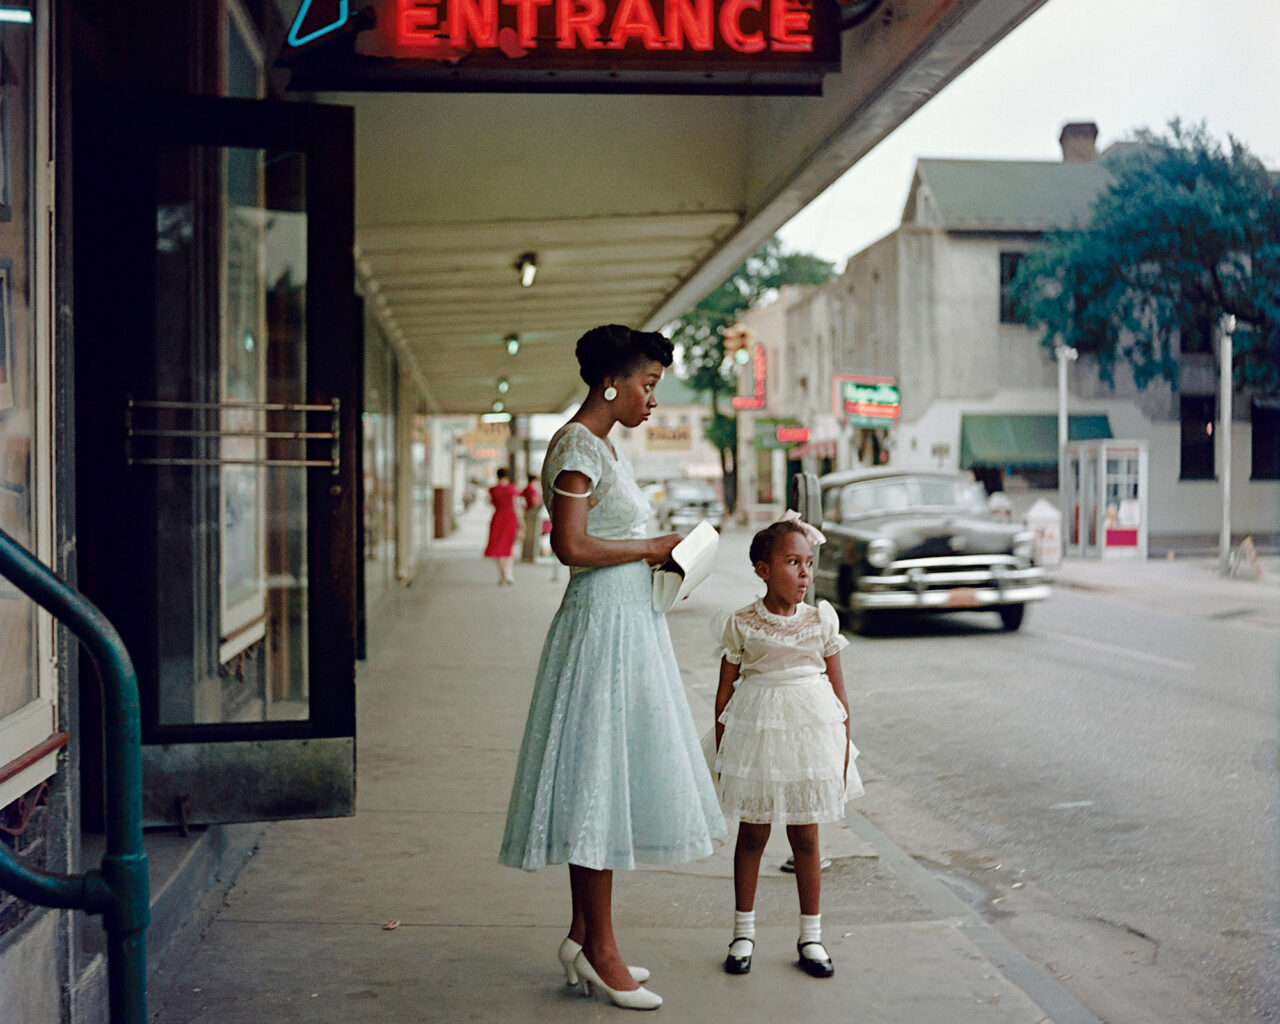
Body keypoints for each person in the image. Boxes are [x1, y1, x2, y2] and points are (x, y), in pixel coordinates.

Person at [499, 324, 726, 1011]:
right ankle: (600, 949)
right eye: (648, 384)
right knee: (596, 780)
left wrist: (662, 555)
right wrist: (653, 543)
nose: (653, 399)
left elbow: (602, 536)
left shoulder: (601, 449)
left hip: (628, 622)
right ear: (612, 383)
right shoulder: (576, 446)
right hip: (601, 626)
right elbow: (568, 547)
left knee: (608, 778)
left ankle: (582, 934)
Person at [710, 512, 864, 980]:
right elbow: (725, 693)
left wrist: (840, 755)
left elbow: (839, 698)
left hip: (809, 737)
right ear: (762, 569)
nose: (804, 573)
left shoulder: (820, 621)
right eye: (792, 562)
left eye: (809, 563)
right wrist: (724, 757)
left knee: (806, 836)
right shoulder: (742, 623)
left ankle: (811, 936)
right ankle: (743, 932)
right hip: (757, 735)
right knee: (753, 834)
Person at [484, 468, 520, 584]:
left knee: (497, 547)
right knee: (509, 546)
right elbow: (516, 505)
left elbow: (490, 503)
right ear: (508, 476)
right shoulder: (512, 489)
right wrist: (521, 522)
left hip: (498, 517)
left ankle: (502, 573)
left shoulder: (493, 490)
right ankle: (508, 573)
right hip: (510, 517)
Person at [519, 474, 542, 563]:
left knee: (529, 535)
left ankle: (527, 555)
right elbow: (534, 501)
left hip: (528, 512)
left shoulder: (528, 488)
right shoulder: (531, 489)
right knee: (531, 535)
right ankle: (529, 556)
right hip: (532, 513)